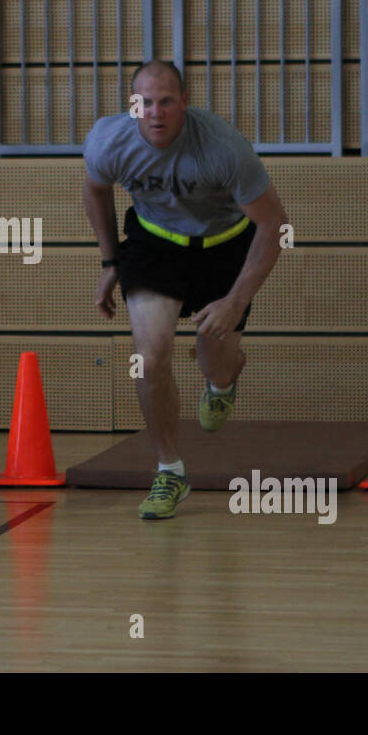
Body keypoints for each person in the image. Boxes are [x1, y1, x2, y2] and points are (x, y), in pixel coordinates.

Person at [83, 60, 288, 520]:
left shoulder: (223, 147)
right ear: (133, 106)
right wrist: (110, 261)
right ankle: (170, 471)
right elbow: (95, 191)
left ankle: (222, 379)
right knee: (150, 357)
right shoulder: (108, 141)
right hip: (155, 244)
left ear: (184, 104)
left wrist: (235, 302)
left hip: (223, 247)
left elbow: (275, 224)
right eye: (146, 103)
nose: (156, 113)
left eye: (167, 101)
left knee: (212, 353)